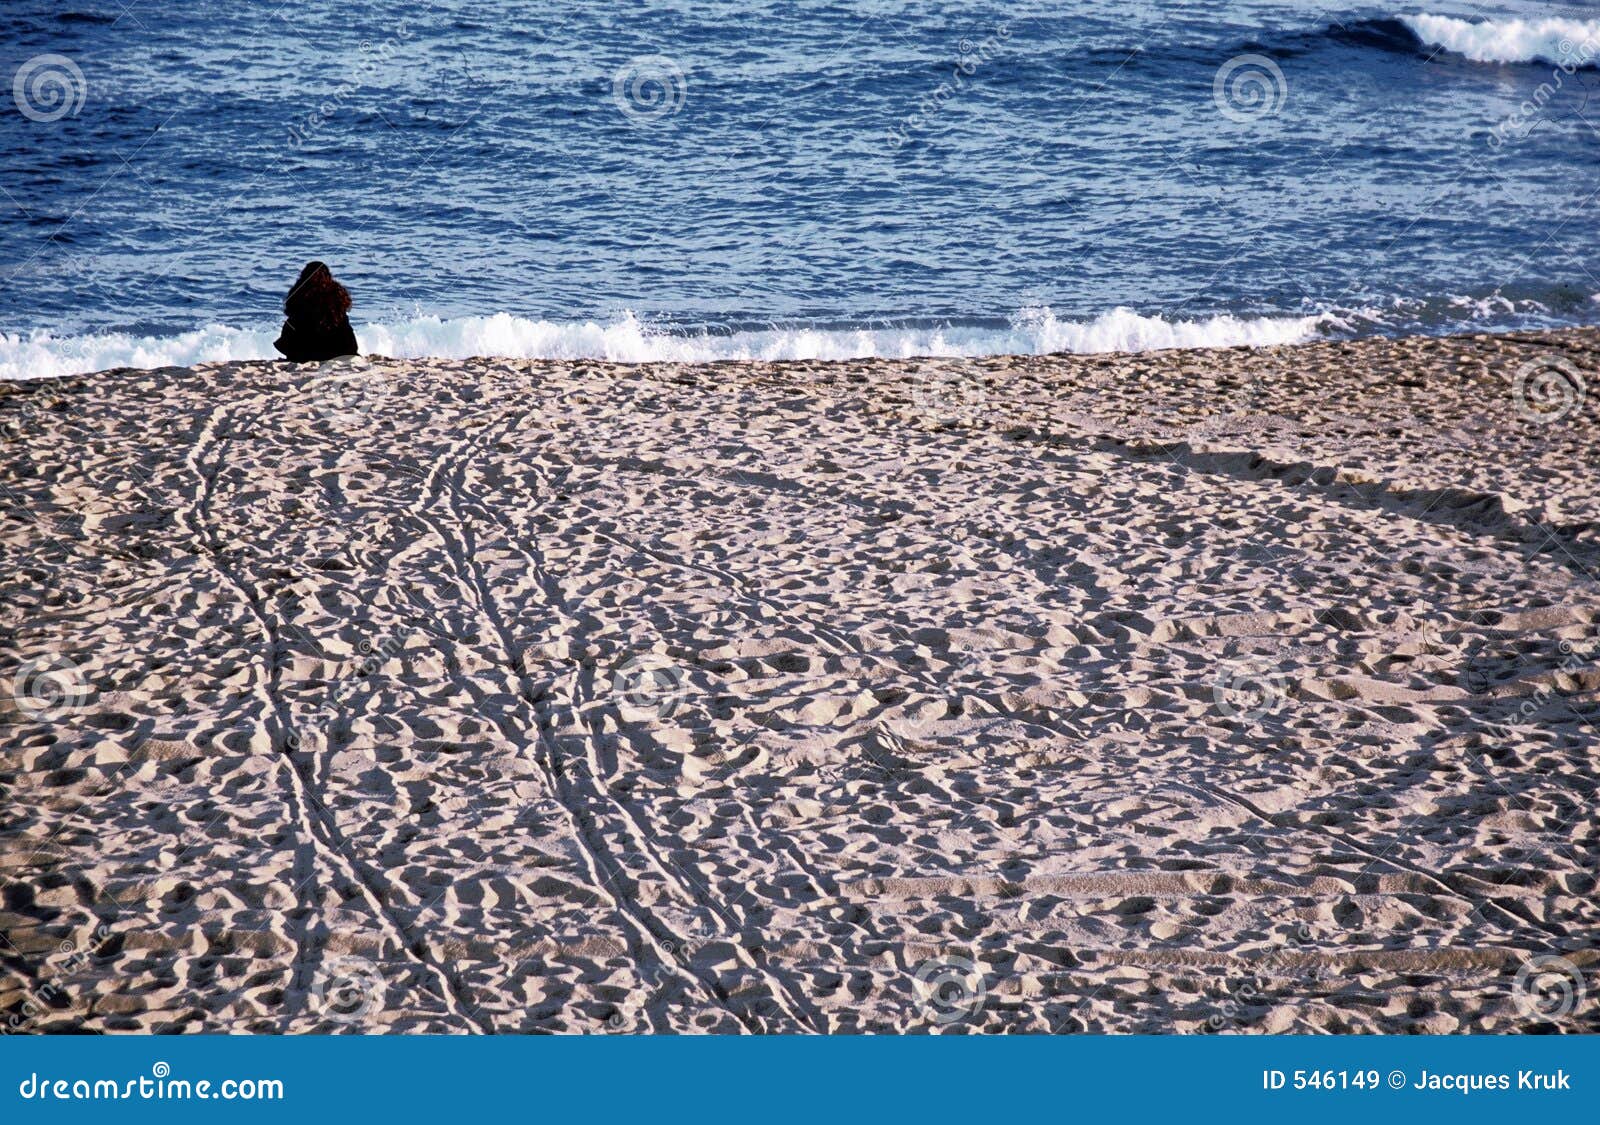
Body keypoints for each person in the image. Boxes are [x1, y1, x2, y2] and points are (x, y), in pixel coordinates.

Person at [274, 261, 359, 362]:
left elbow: (290, 311)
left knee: (292, 322)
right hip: (338, 347)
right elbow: (344, 308)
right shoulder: (337, 291)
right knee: (341, 320)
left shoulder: (299, 291)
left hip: (305, 348)